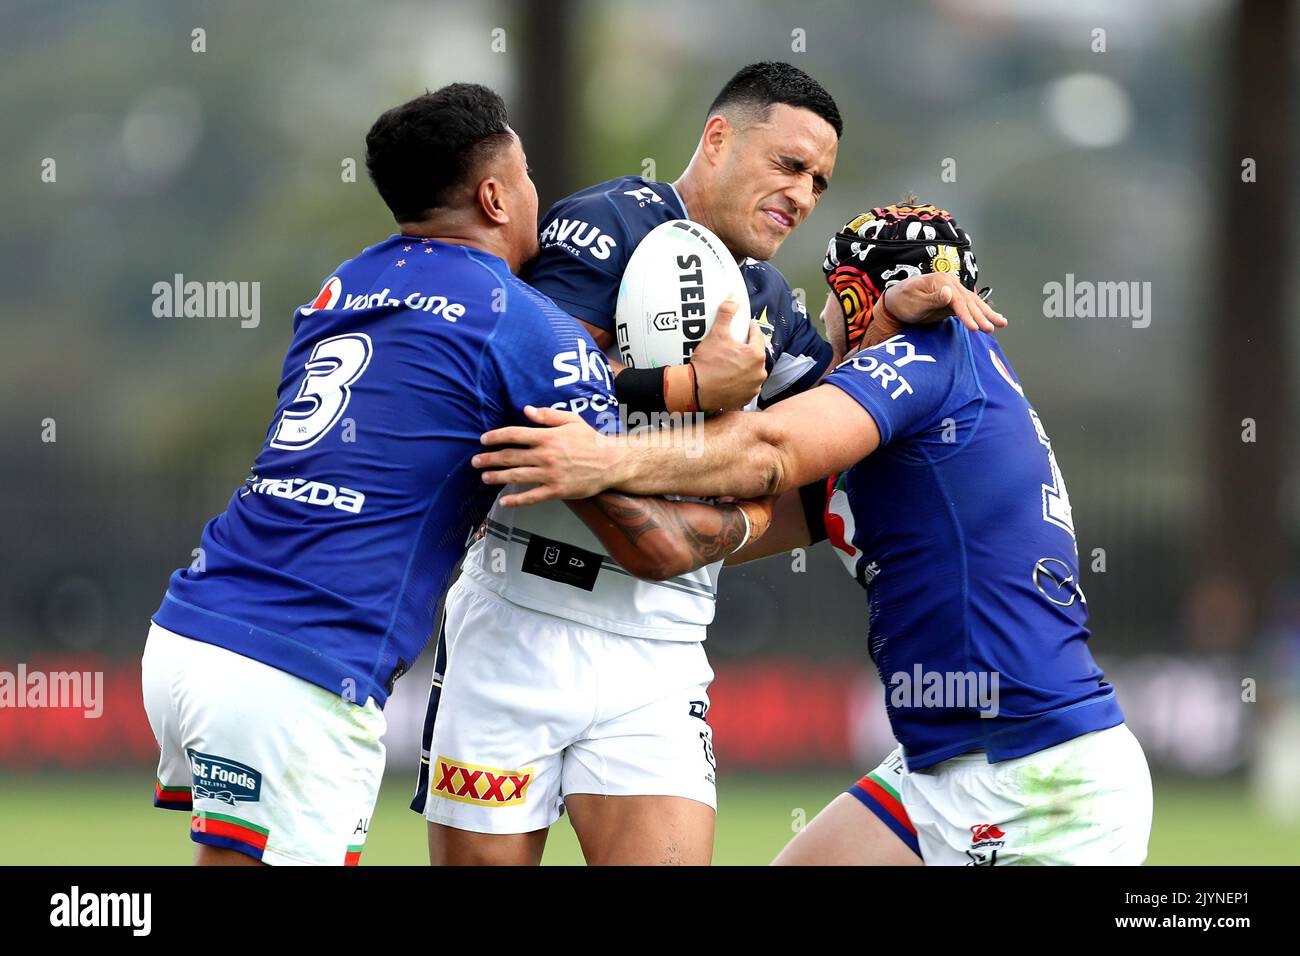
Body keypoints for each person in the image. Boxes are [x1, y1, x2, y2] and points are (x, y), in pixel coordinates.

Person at [141, 83, 769, 866]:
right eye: (527, 175)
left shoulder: (345, 285)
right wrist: (720, 430)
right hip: (301, 664)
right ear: (495, 197)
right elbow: (648, 528)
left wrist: (668, 385)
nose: (540, 196)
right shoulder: (521, 319)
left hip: (190, 632)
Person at [414, 62, 1005, 866]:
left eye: (819, 183)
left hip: (662, 643)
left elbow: (816, 463)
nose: (802, 195)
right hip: (522, 615)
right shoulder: (607, 223)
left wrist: (899, 331)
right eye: (789, 164)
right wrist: (687, 387)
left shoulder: (777, 308)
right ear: (719, 139)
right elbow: (523, 390)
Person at [473, 202, 1153, 866]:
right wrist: (557, 474)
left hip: (1038, 776)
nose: (820, 318)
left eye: (832, 296)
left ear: (857, 297)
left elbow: (766, 451)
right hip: (940, 765)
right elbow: (695, 540)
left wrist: (603, 455)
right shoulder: (902, 421)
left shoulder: (930, 354)